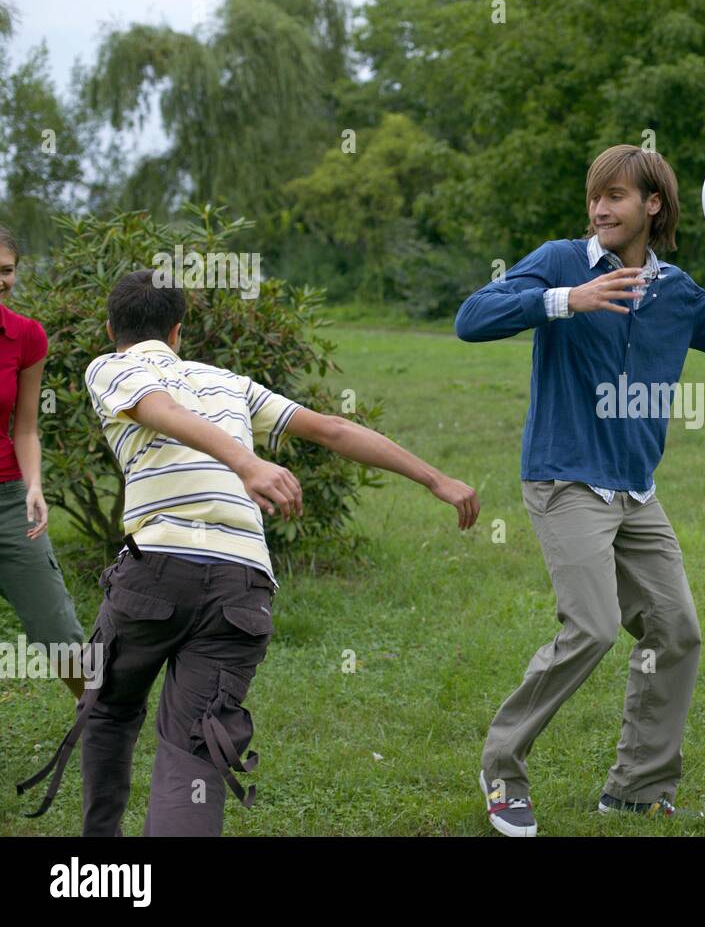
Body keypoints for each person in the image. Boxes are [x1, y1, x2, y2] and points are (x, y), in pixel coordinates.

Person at [18, 268, 479, 835]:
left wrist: (246, 462)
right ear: (179, 333)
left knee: (109, 708)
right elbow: (333, 428)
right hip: (241, 586)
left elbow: (157, 409)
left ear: (111, 327)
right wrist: (435, 479)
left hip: (157, 570)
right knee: (194, 750)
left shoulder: (109, 366)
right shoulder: (228, 382)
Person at [455, 144, 705, 836]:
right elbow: (471, 317)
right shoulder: (564, 261)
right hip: (564, 476)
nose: (600, 208)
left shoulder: (676, 291)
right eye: (596, 196)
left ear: (652, 206)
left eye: (617, 196)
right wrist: (565, 302)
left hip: (636, 491)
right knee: (594, 626)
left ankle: (636, 788)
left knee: (677, 630)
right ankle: (502, 765)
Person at [0, 224, 86, 699]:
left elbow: (26, 428)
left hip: (11, 502)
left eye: (7, 270)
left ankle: (105, 730)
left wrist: (35, 485)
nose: (0, 280)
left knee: (60, 633)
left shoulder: (26, 337)